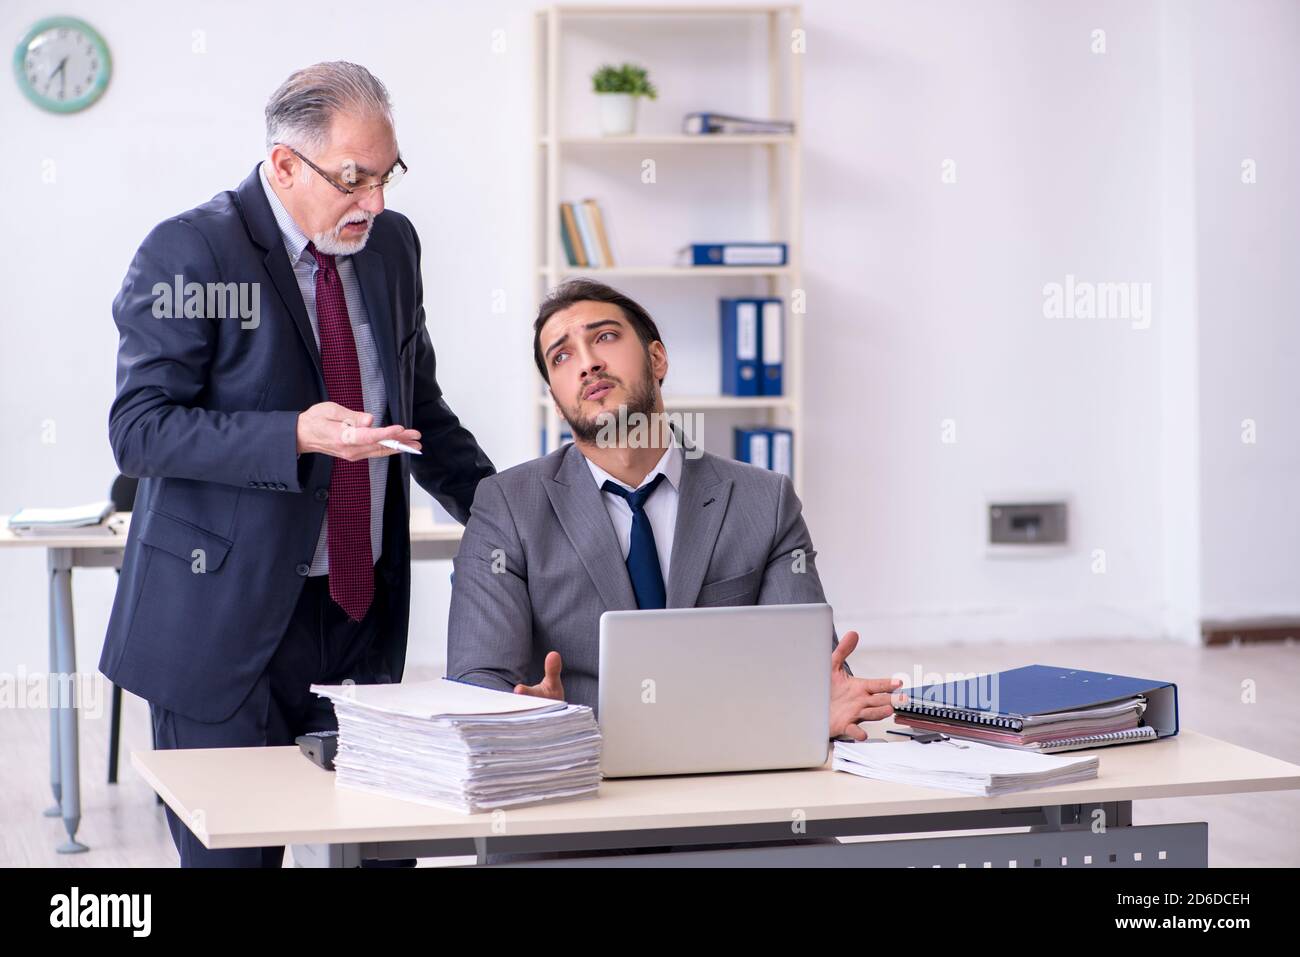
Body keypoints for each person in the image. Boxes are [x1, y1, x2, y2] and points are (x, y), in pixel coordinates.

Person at [101, 61, 494, 867]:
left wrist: (516, 514)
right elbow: (141, 430)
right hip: (224, 629)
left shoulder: (390, 248)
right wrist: (295, 435)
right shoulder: (193, 250)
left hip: (358, 622)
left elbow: (418, 413)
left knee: (385, 853)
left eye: (387, 177)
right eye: (354, 180)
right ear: (284, 164)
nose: (375, 204)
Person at [447, 278, 902, 739]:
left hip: (734, 766)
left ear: (657, 359)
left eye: (605, 337)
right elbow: (477, 680)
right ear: (557, 405)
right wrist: (520, 716)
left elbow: (810, 674)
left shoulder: (765, 501)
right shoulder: (506, 506)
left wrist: (815, 707)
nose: (587, 364)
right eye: (561, 356)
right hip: (579, 769)